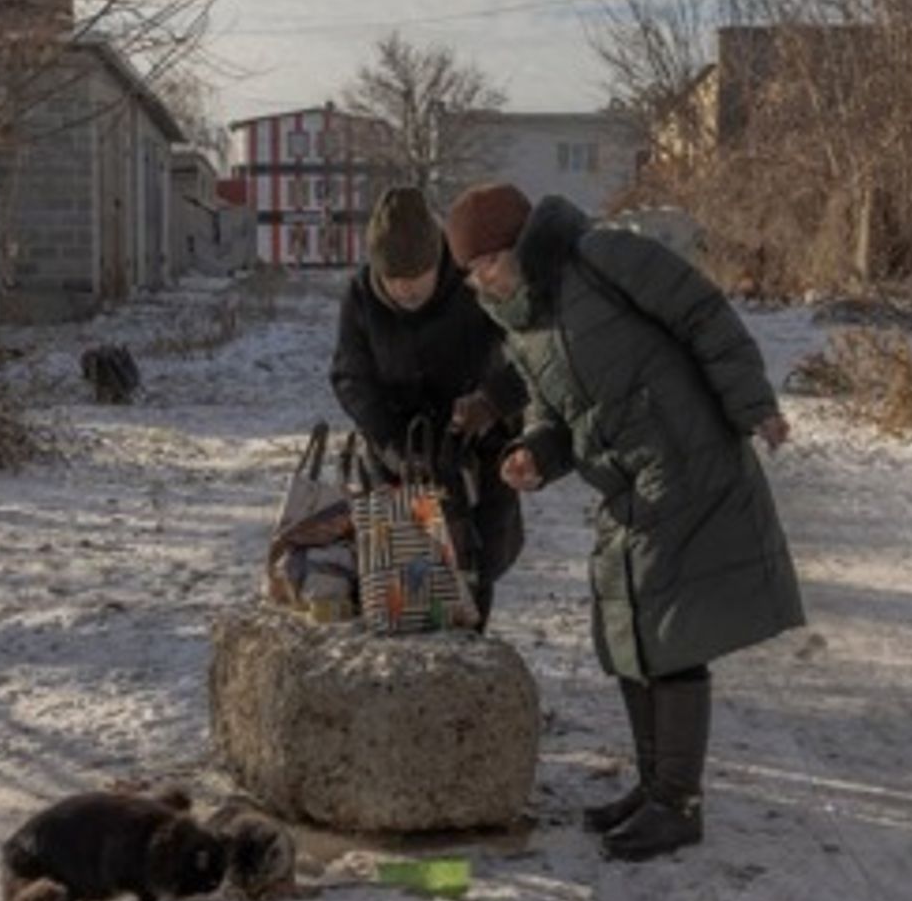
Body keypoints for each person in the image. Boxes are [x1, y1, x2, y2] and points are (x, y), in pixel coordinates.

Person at [445, 181, 804, 863]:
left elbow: (701, 313)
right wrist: (533, 455)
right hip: (627, 483)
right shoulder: (522, 324)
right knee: (629, 619)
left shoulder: (601, 255)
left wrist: (753, 403)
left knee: (668, 627)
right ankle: (654, 788)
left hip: (688, 458)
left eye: (484, 261)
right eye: (470, 271)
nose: (478, 278)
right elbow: (556, 415)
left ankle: (678, 802)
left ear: (517, 244)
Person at [330, 185, 527, 631]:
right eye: (393, 279)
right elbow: (351, 376)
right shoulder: (361, 297)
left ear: (437, 261)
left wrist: (492, 402)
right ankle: (410, 666)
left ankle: (469, 646)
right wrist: (390, 442)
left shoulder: (474, 282)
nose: (404, 288)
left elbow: (531, 358)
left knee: (476, 563)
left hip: (475, 446)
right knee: (404, 577)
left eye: (416, 276)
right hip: (399, 452)